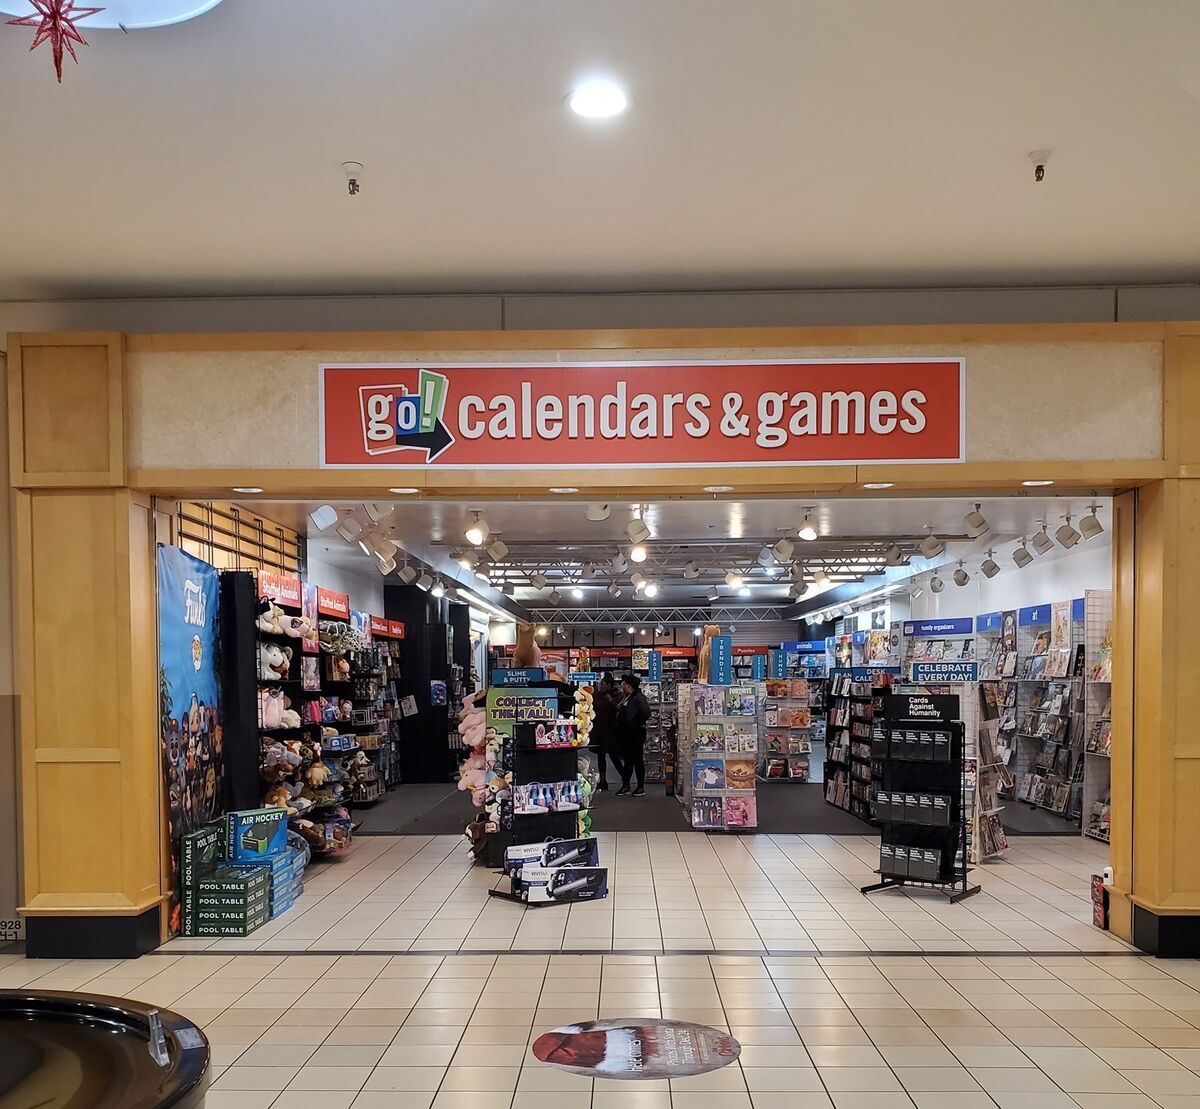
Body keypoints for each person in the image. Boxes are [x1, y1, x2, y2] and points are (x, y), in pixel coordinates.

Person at [615, 673, 651, 796]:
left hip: (635, 734)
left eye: (624, 684)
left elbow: (646, 713)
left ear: (630, 686)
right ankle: (626, 785)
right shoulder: (628, 697)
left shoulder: (638, 697)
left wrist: (634, 723)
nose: (622, 686)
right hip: (626, 734)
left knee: (637, 760)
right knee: (628, 761)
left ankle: (640, 787)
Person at [591, 672, 621, 791]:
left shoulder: (616, 695)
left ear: (609, 685)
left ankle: (624, 777)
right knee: (600, 756)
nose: (601, 686)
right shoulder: (597, 695)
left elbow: (619, 709)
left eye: (603, 684)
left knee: (614, 756)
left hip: (611, 730)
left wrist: (611, 700)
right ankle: (603, 781)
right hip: (599, 730)